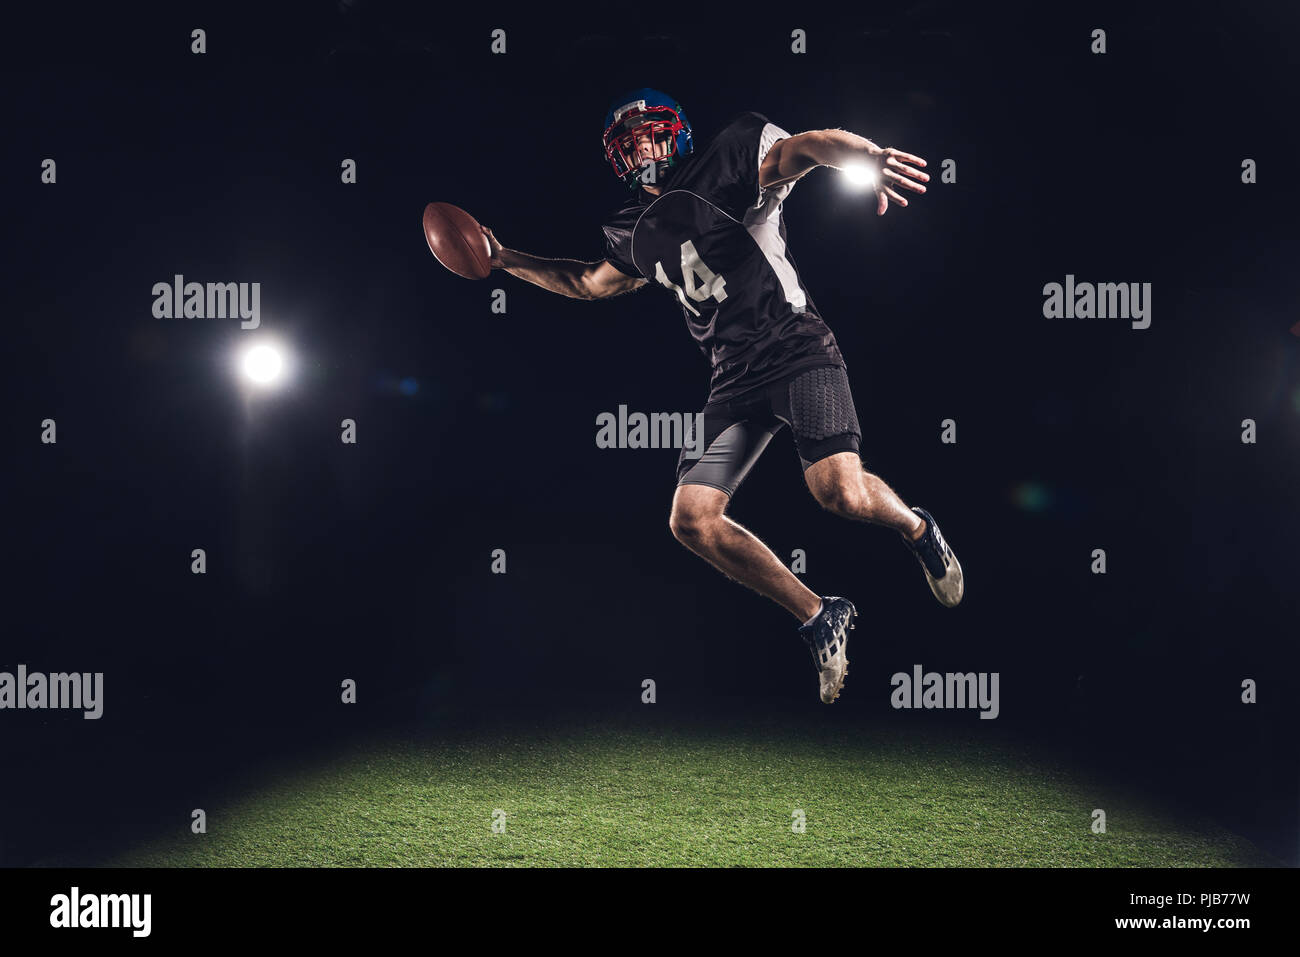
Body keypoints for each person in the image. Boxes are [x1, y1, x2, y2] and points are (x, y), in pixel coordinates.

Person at [478, 88, 962, 704]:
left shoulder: (731, 156)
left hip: (796, 349)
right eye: (630, 146)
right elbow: (586, 282)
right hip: (733, 379)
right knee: (691, 520)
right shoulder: (630, 230)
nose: (643, 150)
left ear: (675, 134)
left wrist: (864, 155)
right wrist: (504, 259)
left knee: (838, 492)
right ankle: (818, 614)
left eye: (651, 135)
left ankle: (917, 528)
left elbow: (808, 149)